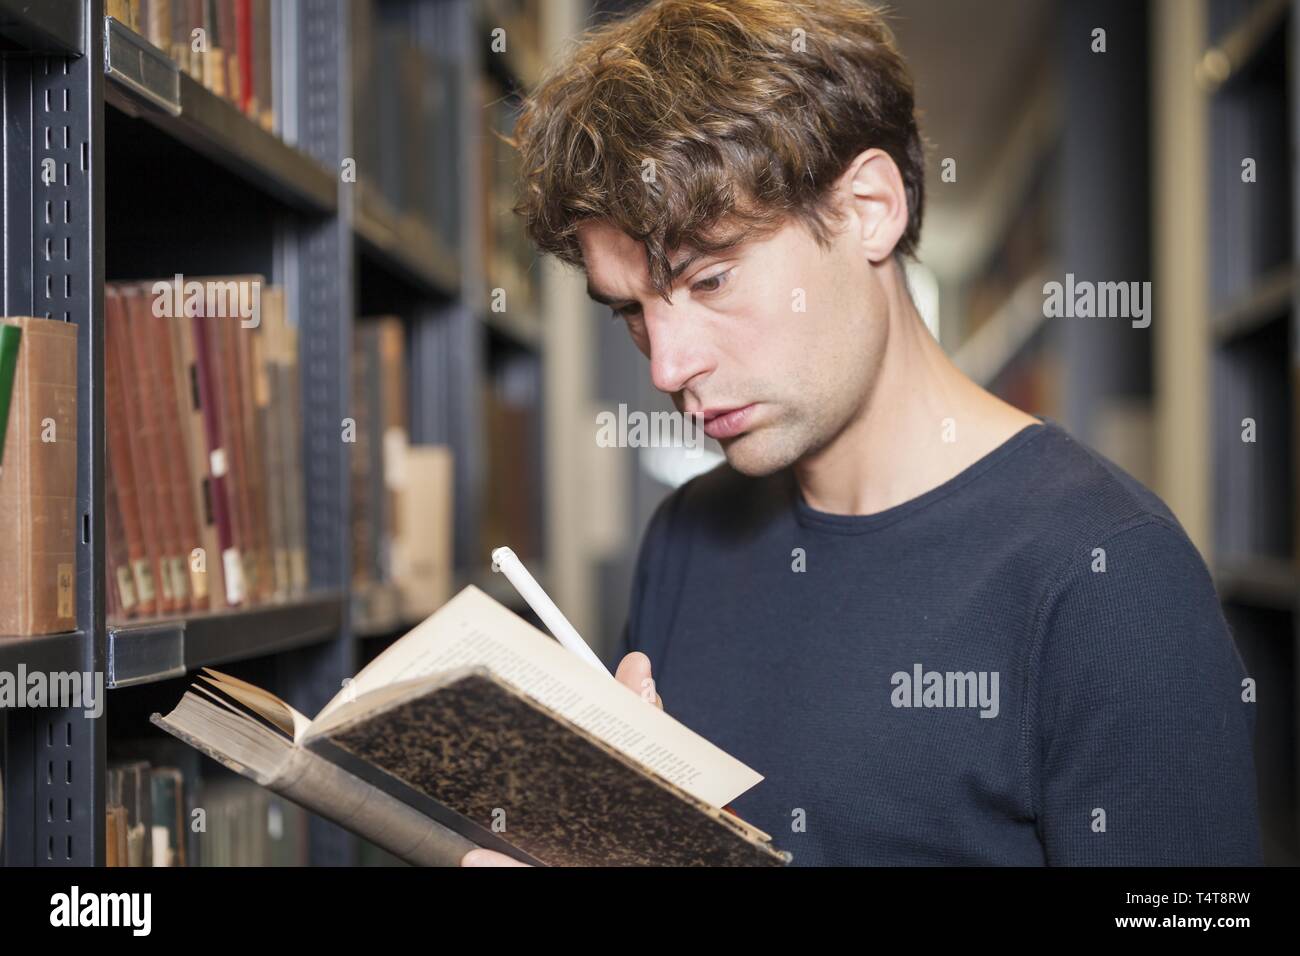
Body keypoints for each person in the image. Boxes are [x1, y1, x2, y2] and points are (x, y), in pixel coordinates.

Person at [462, 0, 1260, 866]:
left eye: (712, 280)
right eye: (633, 311)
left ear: (869, 208)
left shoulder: (1112, 577)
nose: (666, 365)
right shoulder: (685, 536)